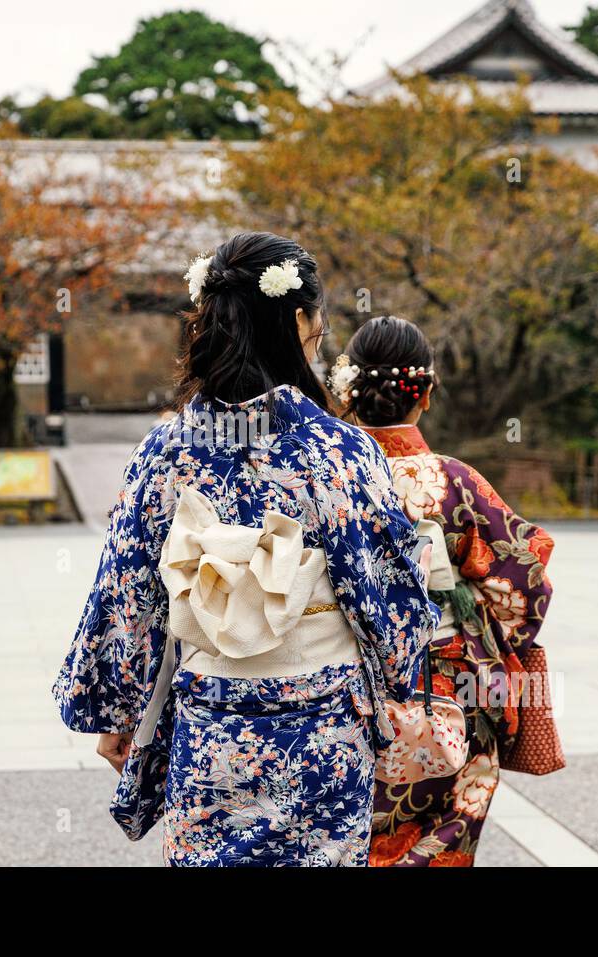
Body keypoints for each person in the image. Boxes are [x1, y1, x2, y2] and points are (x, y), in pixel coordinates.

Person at [53, 234, 438, 866]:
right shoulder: (339, 449)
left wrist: (117, 710)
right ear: (298, 322)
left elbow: (127, 589)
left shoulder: (166, 449)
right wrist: (399, 679)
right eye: (320, 320)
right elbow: (387, 600)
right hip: (322, 731)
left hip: (212, 729)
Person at [328, 316, 555, 867]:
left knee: (346, 825)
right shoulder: (455, 481)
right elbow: (524, 584)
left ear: (348, 393)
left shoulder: (324, 477)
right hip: (449, 686)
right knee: (447, 827)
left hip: (340, 682)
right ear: (426, 395)